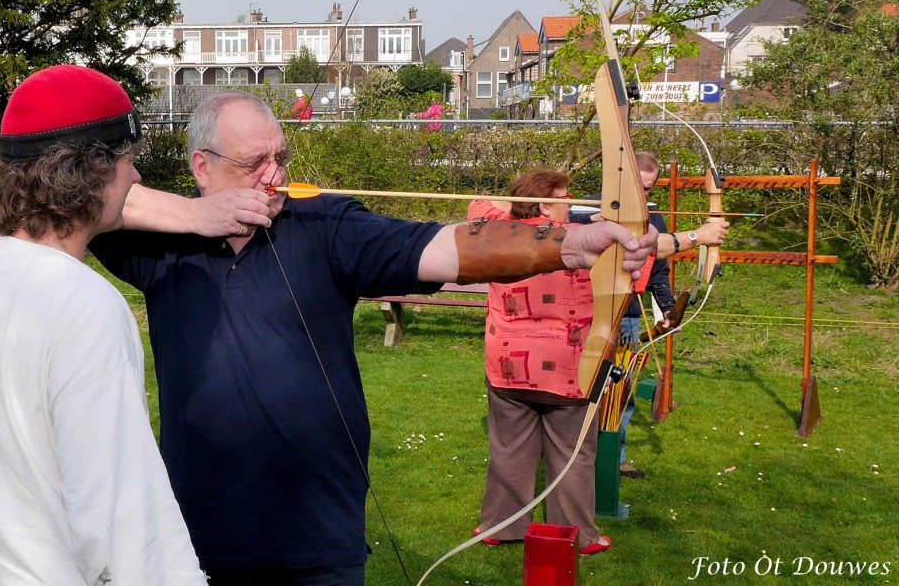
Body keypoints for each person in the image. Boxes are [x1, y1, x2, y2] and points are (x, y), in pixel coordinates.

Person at [89, 90, 658, 586]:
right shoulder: (160, 242)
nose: (275, 175)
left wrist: (567, 246)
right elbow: (81, 198)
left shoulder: (326, 225)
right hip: (197, 529)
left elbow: (445, 248)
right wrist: (198, 218)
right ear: (202, 166)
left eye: (280, 156)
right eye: (255, 162)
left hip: (318, 529)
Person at [0, 65, 208, 586]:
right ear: (90, 171)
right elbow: (120, 513)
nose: (136, 178)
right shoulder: (84, 304)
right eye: (127, 162)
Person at [470, 169, 612, 556]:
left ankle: (499, 525)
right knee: (573, 455)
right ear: (547, 204)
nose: (572, 203)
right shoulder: (582, 246)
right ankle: (579, 536)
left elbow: (478, 205)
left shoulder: (499, 236)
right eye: (564, 198)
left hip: (508, 365)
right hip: (569, 370)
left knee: (509, 447)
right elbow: (637, 267)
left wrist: (525, 209)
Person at [569, 151, 729, 480]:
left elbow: (656, 269)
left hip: (627, 317)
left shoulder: (652, 214)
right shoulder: (585, 210)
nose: (643, 195)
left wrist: (669, 309)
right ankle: (575, 460)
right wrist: (698, 236)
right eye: (637, 187)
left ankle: (615, 458)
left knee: (620, 392)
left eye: (649, 188)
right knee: (583, 391)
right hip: (588, 314)